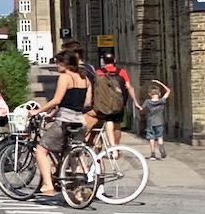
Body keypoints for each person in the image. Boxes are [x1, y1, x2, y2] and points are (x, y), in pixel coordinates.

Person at [25, 49, 94, 202]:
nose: (57, 66)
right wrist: (53, 114)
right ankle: (81, 189)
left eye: (58, 63)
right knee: (75, 154)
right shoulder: (85, 78)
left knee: (41, 150)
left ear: (65, 64)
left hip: (65, 121)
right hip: (80, 121)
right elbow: (86, 102)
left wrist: (38, 111)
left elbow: (57, 100)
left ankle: (48, 184)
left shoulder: (65, 77)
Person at [88, 53, 135, 149]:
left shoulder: (98, 72)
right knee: (117, 125)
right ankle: (116, 147)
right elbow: (128, 86)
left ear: (103, 61)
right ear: (114, 61)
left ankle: (103, 145)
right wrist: (135, 101)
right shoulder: (122, 72)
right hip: (119, 103)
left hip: (103, 103)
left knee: (104, 122)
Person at [142, 78, 171, 159]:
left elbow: (141, 109)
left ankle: (153, 154)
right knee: (160, 136)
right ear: (159, 93)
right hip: (159, 121)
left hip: (150, 122)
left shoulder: (147, 101)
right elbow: (168, 91)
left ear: (150, 94)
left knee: (151, 138)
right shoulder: (162, 101)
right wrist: (160, 83)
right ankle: (161, 147)